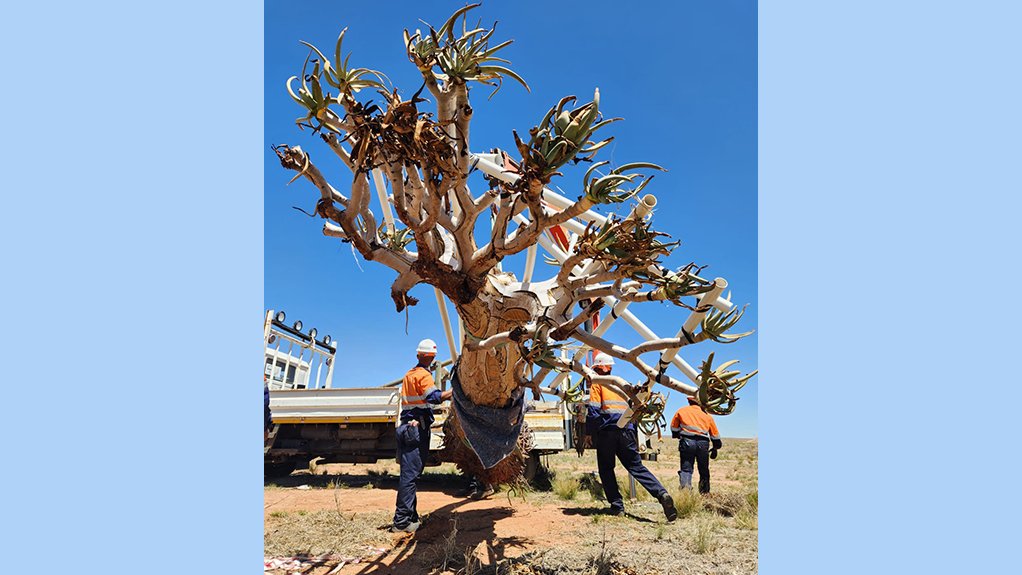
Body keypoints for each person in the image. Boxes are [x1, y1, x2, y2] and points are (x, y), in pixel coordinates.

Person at [586, 353, 677, 521]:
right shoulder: (622, 384)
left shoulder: (598, 384)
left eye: (597, 368)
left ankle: (617, 506)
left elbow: (593, 410)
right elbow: (634, 408)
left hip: (607, 432)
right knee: (636, 466)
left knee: (606, 469)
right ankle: (661, 493)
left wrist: (589, 433)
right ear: (610, 367)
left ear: (599, 368)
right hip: (627, 430)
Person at [392, 338, 453, 533]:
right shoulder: (423, 376)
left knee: (409, 475)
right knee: (410, 477)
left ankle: (411, 517)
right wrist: (454, 391)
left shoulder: (409, 375)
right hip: (416, 429)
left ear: (419, 355)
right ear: (432, 357)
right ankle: (401, 522)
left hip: (406, 427)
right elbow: (433, 397)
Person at [670, 396, 722, 494]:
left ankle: (685, 494)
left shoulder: (681, 411)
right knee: (703, 470)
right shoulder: (707, 416)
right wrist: (716, 447)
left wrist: (677, 435)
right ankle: (705, 494)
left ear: (689, 401)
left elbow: (674, 428)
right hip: (703, 444)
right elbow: (715, 436)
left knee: (686, 469)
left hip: (687, 442)